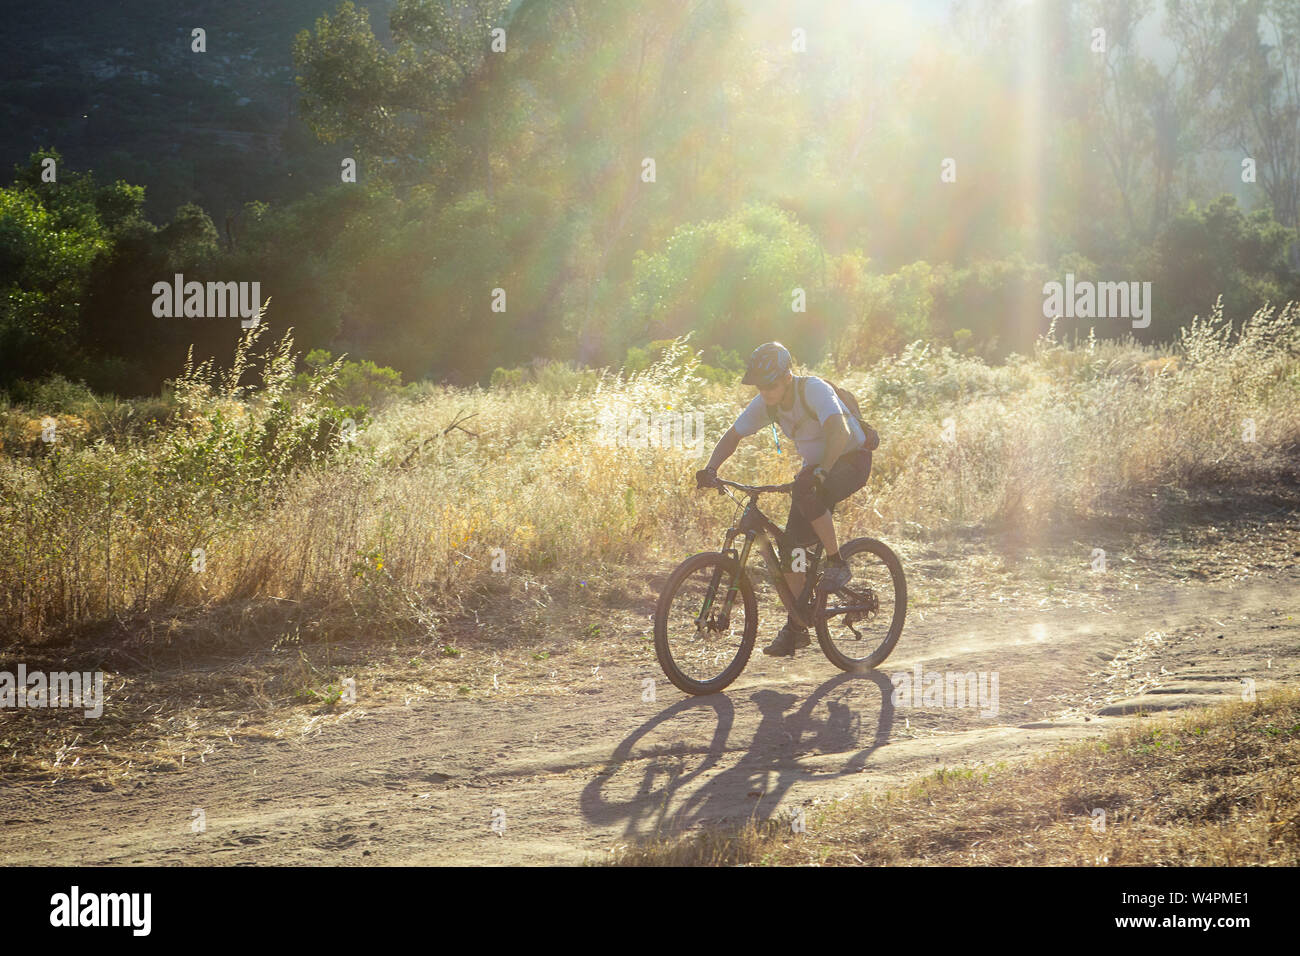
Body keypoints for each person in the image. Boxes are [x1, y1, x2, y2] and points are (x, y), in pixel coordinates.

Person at [695, 342, 873, 657]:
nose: (765, 391)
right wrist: (711, 468)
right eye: (760, 386)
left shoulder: (813, 390)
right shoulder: (767, 404)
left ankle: (836, 563)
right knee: (791, 548)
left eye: (771, 384)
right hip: (816, 469)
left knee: (807, 491)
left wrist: (821, 473)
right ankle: (797, 626)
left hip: (850, 459)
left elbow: (840, 431)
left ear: (787, 377)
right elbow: (733, 435)